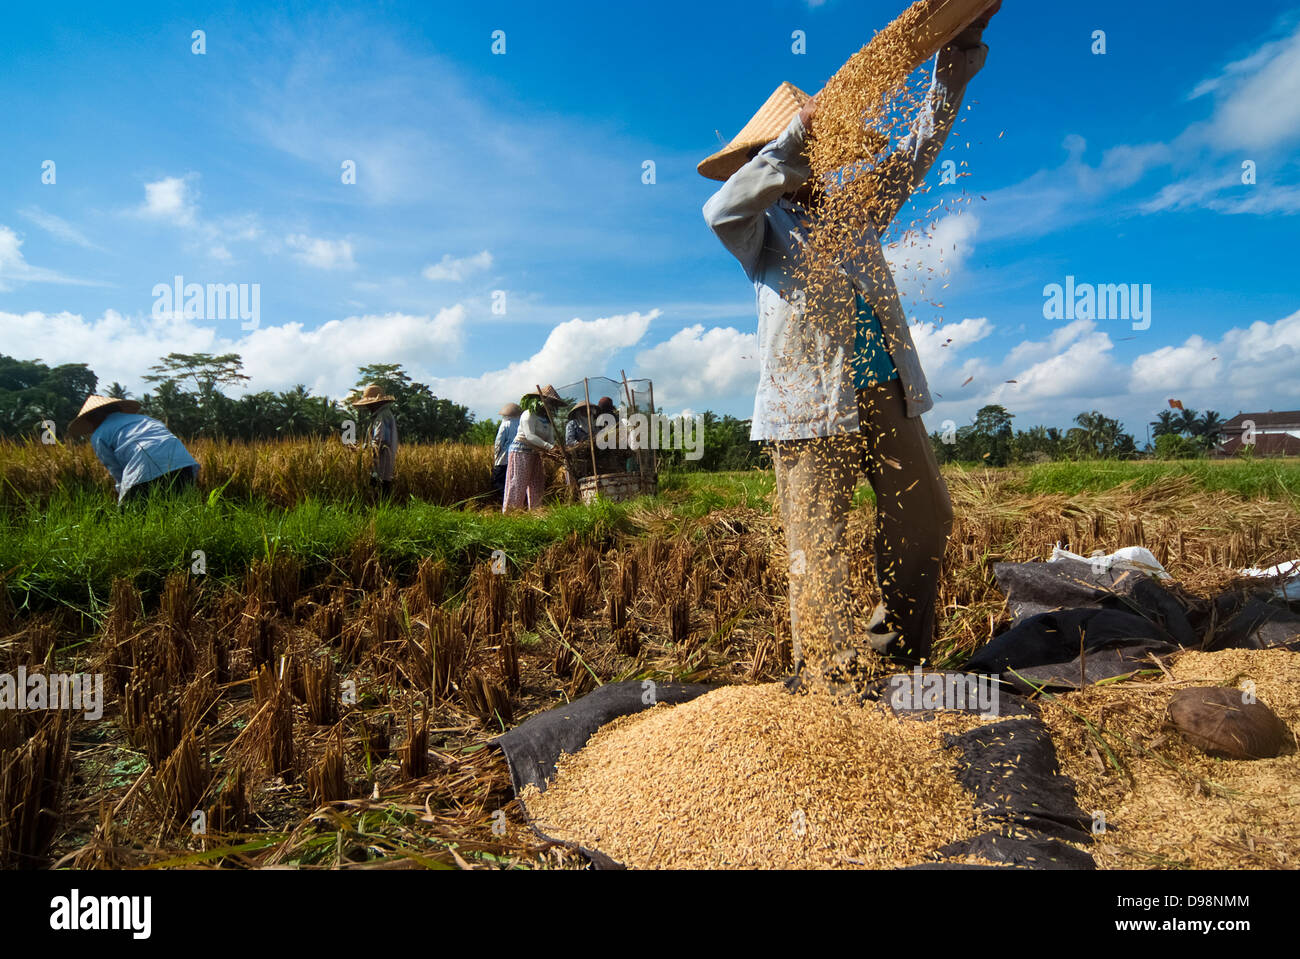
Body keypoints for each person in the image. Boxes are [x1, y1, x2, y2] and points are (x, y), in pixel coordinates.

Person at [700, 7, 998, 688]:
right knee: (818, 550)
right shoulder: (759, 225)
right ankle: (831, 688)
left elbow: (919, 147)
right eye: (814, 145)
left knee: (927, 515)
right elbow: (718, 210)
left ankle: (898, 656)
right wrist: (790, 146)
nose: (824, 158)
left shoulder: (855, 208)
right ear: (771, 155)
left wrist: (953, 64)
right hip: (808, 408)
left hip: (885, 392)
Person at [68, 395, 199, 504]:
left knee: (133, 516)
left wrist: (123, 494)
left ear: (94, 418)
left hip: (144, 465)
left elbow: (116, 471)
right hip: (182, 463)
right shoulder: (146, 419)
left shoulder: (99, 435)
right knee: (180, 507)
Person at [503, 385, 561, 512]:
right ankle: (511, 513)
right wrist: (549, 447)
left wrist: (555, 449)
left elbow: (550, 438)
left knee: (537, 483)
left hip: (536, 453)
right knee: (518, 482)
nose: (550, 405)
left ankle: (536, 513)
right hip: (521, 451)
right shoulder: (528, 414)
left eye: (552, 403)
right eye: (548, 402)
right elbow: (530, 436)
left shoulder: (548, 420)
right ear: (539, 401)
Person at [351, 384, 398, 497]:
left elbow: (379, 442)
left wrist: (360, 450)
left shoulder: (382, 416)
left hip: (380, 466)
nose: (368, 407)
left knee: (379, 495)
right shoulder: (383, 415)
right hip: (382, 466)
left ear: (376, 404)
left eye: (370, 405)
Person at [493, 402, 522, 504]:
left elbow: (499, 443)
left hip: (504, 459)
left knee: (500, 482)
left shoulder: (505, 424)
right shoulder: (521, 424)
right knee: (514, 483)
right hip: (519, 458)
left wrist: (496, 458)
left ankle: (503, 504)